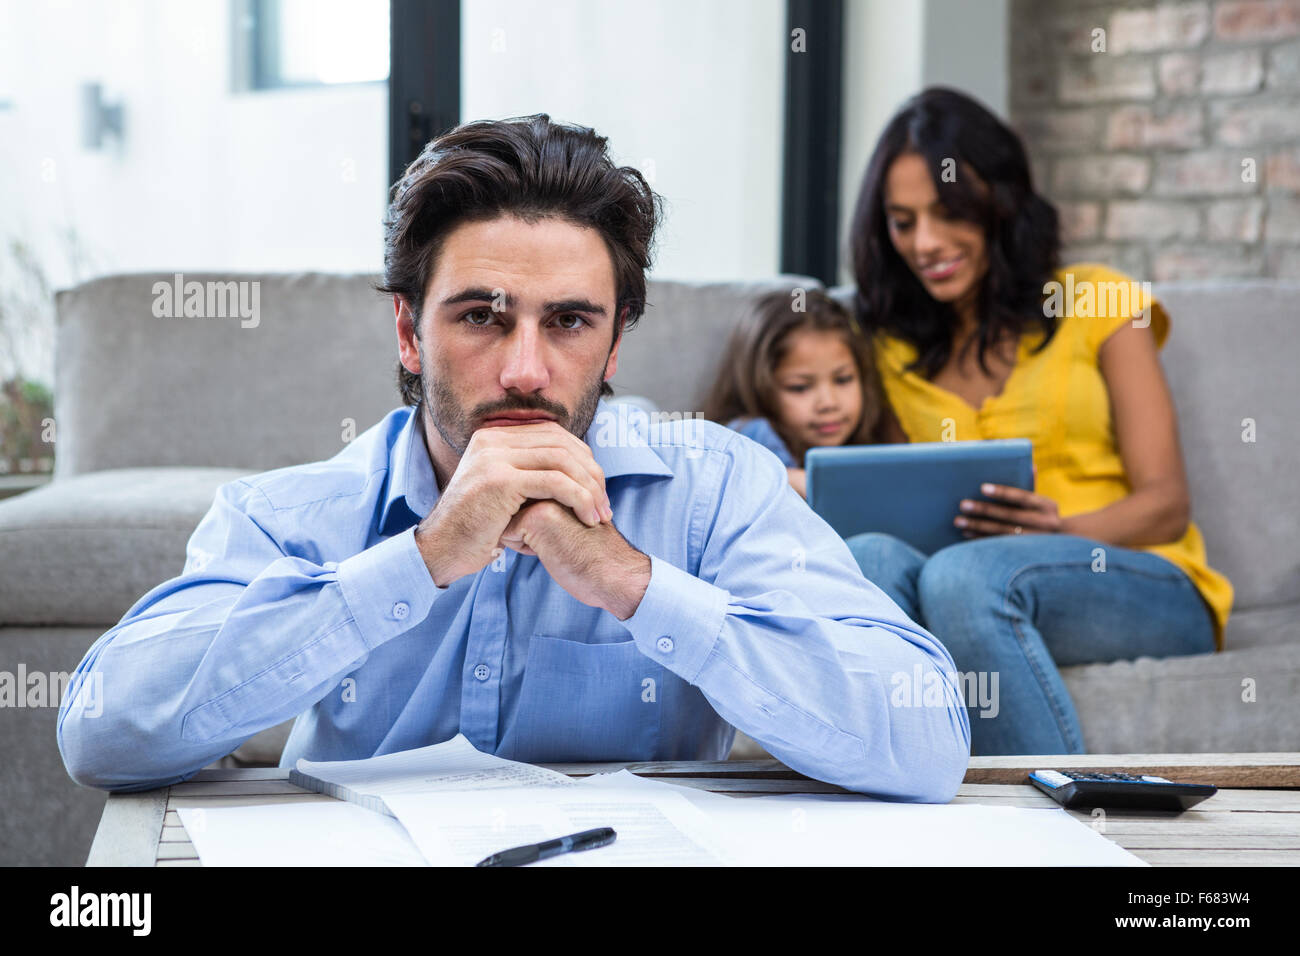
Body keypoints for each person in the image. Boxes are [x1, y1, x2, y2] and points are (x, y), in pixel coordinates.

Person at [58, 114, 970, 801]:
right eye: (481, 316)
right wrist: (420, 561)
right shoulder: (286, 516)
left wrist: (634, 584)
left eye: (569, 321)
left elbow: (927, 740)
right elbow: (101, 732)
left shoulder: (716, 490)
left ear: (614, 349)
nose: (526, 370)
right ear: (411, 331)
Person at [844, 88, 1233, 756]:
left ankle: (1050, 840)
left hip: (1137, 575)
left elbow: (1166, 505)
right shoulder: (885, 349)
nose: (926, 242)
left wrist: (1058, 530)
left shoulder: (1098, 300)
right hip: (964, 578)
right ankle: (892, 817)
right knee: (870, 559)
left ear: (1000, 200)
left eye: (948, 211)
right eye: (903, 221)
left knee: (965, 579)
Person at [702, 288, 901, 498]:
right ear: (759, 388)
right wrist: (793, 480)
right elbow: (726, 477)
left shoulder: (871, 442)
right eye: (800, 387)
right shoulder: (751, 434)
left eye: (843, 380)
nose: (828, 403)